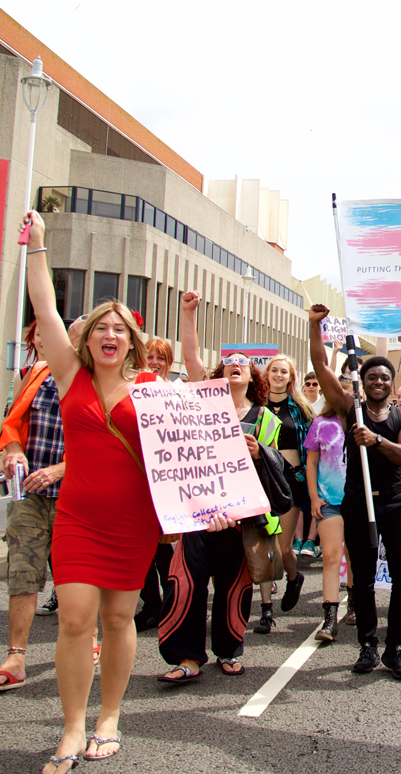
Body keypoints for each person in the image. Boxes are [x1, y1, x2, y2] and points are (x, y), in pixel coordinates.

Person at [20, 212, 173, 772]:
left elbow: (193, 454)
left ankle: (109, 717)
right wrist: (37, 247)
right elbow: (44, 309)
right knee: (75, 618)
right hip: (79, 518)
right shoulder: (69, 376)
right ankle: (73, 726)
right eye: (101, 329)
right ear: (88, 339)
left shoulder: (156, 388)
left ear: (134, 343)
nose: (110, 336)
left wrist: (212, 507)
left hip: (134, 524)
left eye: (121, 330)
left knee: (118, 620)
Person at [160, 292, 282, 685]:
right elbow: (192, 358)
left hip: (241, 520)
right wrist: (188, 313)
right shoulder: (201, 403)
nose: (234, 366)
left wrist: (261, 453)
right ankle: (186, 657)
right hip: (200, 516)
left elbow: (278, 467)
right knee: (187, 586)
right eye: (227, 363)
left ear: (252, 377)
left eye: (242, 364)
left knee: (234, 589)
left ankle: (229, 652)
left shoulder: (265, 419)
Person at [309, 306, 401, 680]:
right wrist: (314, 326)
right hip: (359, 500)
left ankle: (396, 648)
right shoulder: (347, 408)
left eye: (384, 377)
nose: (378, 382)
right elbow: (321, 368)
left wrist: (376, 440)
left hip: (398, 502)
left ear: (392, 383)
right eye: (371, 376)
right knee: (364, 578)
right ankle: (368, 645)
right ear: (363, 382)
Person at [0, 319, 81, 693]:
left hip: (78, 496)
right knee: (23, 570)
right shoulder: (37, 373)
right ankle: (15, 656)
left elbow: (110, 447)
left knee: (76, 578)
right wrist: (12, 454)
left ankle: (88, 637)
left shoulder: (102, 383)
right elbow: (13, 423)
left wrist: (60, 470)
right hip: (30, 494)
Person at [251, 355, 314, 628]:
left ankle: (293, 578)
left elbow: (312, 451)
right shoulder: (255, 407)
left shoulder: (301, 409)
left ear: (291, 377)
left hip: (291, 481)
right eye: (274, 370)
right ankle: (266, 610)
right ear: (266, 375)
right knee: (265, 546)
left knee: (284, 548)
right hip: (261, 478)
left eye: (284, 371)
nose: (278, 375)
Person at [304, 375, 356, 643]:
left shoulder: (362, 424)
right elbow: (311, 463)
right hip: (328, 502)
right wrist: (314, 497)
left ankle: (356, 603)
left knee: (356, 555)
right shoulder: (320, 424)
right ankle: (329, 619)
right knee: (331, 557)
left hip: (358, 502)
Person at [135, 339, 176, 631]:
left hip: (165, 479)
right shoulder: (130, 389)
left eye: (160, 358)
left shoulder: (175, 391)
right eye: (149, 356)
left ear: (168, 363)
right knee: (139, 547)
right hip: (136, 477)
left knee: (164, 547)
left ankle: (171, 605)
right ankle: (151, 604)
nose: (154, 362)